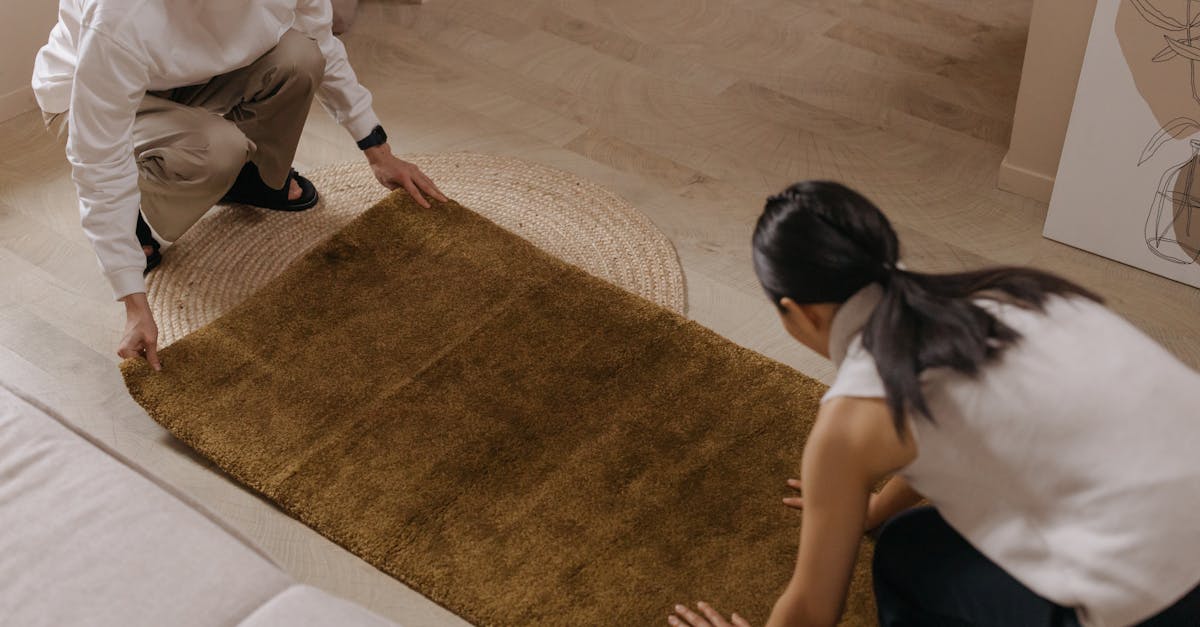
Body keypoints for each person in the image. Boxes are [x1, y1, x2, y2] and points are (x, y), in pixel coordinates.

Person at [669, 182, 1200, 627]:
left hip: (1166, 604)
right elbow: (946, 428)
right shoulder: (1004, 293)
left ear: (797, 313)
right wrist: (869, 509)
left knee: (904, 554)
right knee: (911, 528)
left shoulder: (851, 422)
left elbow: (812, 610)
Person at [32, 0, 447, 372]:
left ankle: (252, 181)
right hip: (82, 97)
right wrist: (132, 299)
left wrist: (378, 150)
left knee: (301, 56)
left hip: (189, 74)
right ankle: (143, 213)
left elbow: (322, 43)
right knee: (215, 149)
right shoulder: (121, 14)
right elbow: (97, 155)